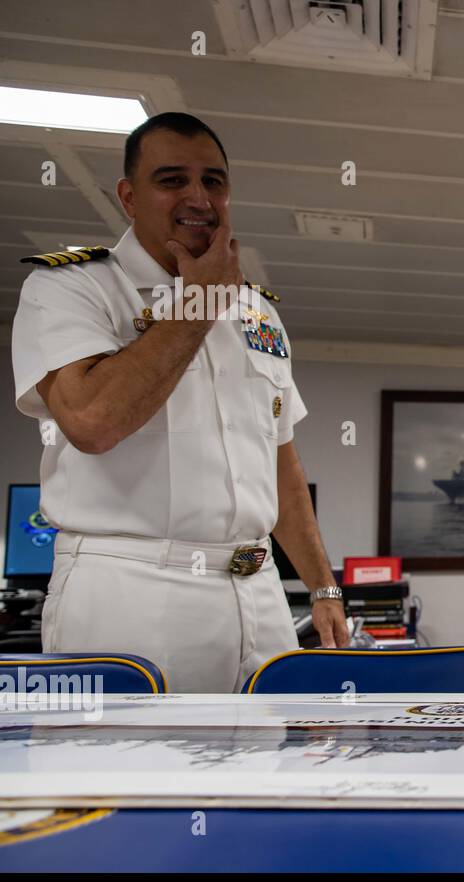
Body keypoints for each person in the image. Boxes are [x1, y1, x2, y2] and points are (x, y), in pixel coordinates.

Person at [10, 112, 347, 692]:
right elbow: (92, 422)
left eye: (213, 181)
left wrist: (323, 587)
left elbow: (280, 465)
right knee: (133, 778)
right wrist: (197, 304)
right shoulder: (72, 287)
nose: (198, 196)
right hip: (133, 590)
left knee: (268, 774)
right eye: (172, 180)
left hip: (260, 592)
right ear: (129, 196)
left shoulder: (256, 311)